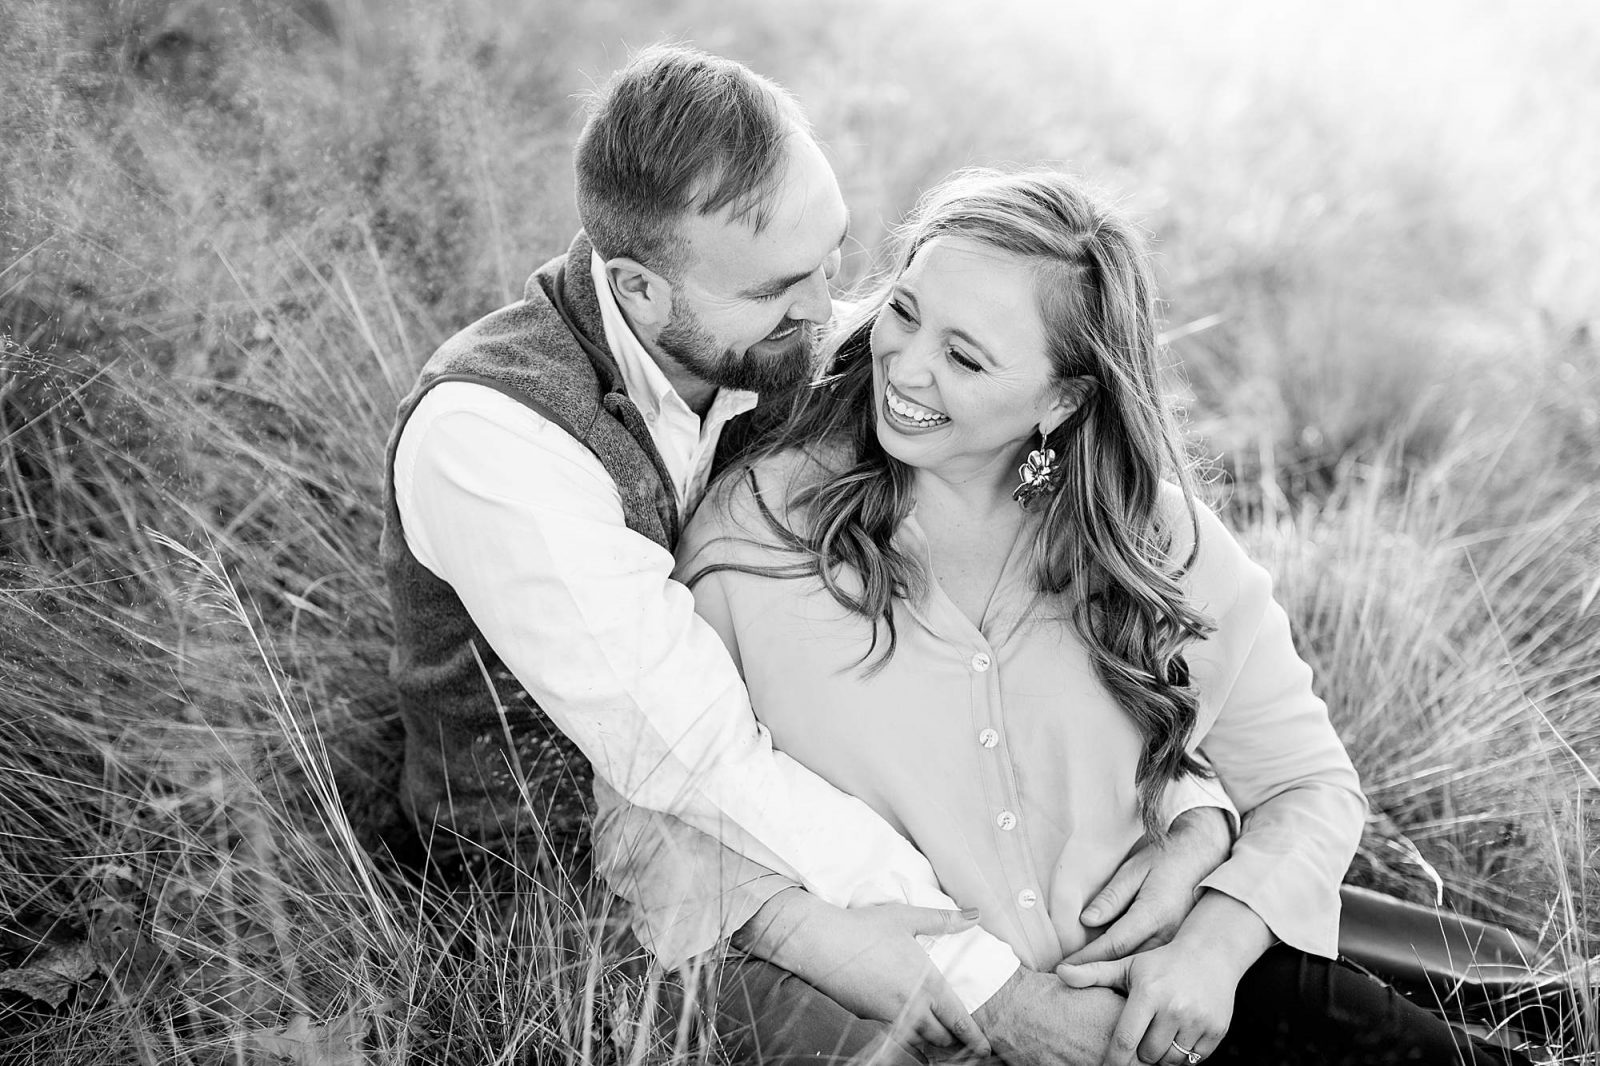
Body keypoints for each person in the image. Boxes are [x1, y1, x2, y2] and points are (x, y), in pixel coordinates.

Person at [380, 43, 1235, 1064]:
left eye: (832, 253)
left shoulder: (785, 338)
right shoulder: (492, 435)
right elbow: (691, 758)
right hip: (571, 891)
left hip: (800, 837)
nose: (835, 308)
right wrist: (992, 976)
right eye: (784, 285)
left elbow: (1021, 495)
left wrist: (1190, 810)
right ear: (640, 293)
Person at [596, 168, 1536, 1066]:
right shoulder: (758, 537)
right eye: (906, 313)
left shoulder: (1154, 537)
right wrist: (964, 990)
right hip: (907, 1031)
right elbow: (648, 822)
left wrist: (1214, 939)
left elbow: (1306, 786)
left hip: (1178, 1016)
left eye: (964, 357)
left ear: (1063, 398)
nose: (906, 368)